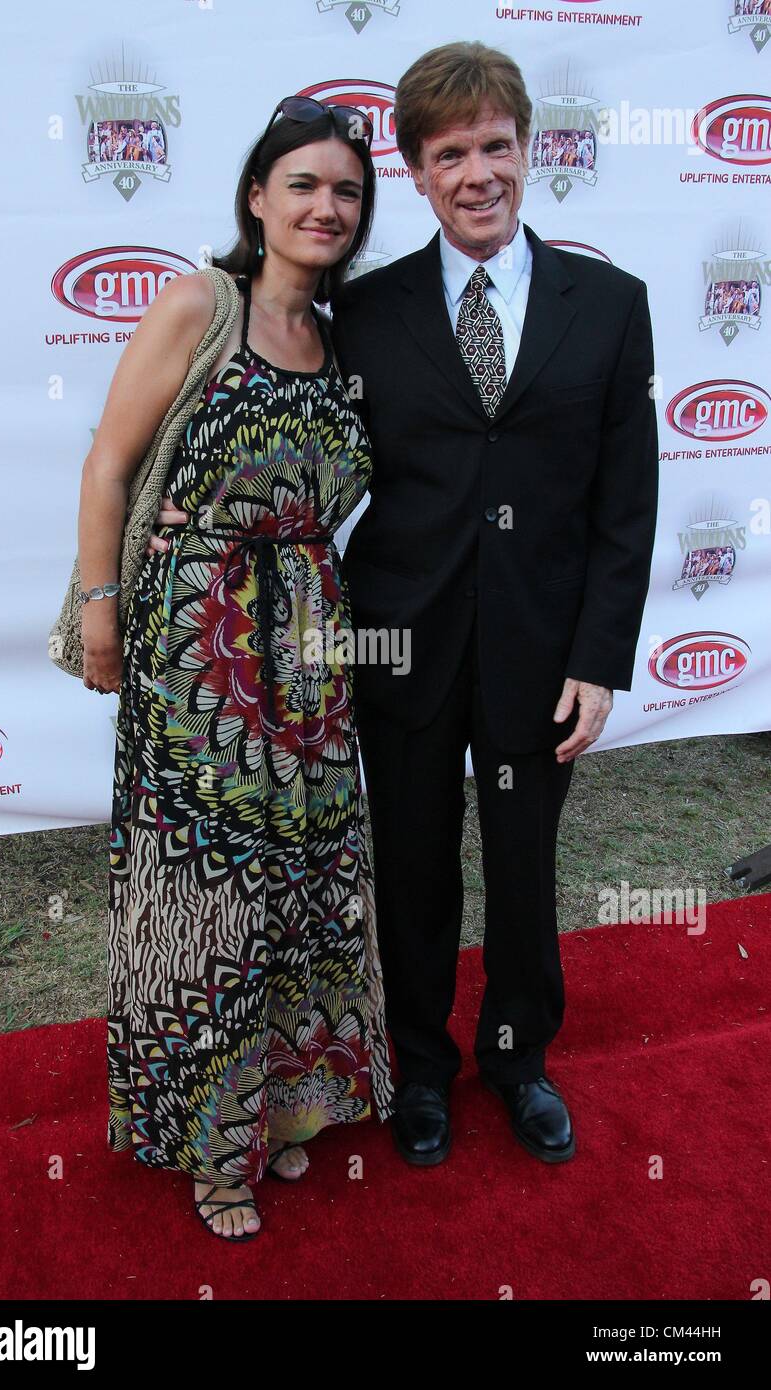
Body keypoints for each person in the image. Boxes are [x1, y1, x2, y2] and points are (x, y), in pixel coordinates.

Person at [324, 42, 658, 1168]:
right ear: (415, 171)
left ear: (531, 150)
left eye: (496, 145)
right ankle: (420, 1066)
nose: (478, 172)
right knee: (410, 863)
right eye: (449, 152)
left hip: (540, 649)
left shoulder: (609, 305)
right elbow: (311, 471)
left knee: (521, 865)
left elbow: (625, 500)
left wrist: (598, 656)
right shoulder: (361, 314)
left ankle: (515, 1058)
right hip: (400, 641)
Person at [77, 94, 393, 1241]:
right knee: (211, 903)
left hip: (309, 642)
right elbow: (110, 465)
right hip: (193, 655)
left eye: (345, 191)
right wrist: (101, 609)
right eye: (301, 183)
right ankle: (210, 1152)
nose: (324, 205)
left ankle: (276, 1118)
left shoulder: (341, 335)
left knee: (302, 886)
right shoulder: (196, 305)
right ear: (255, 197)